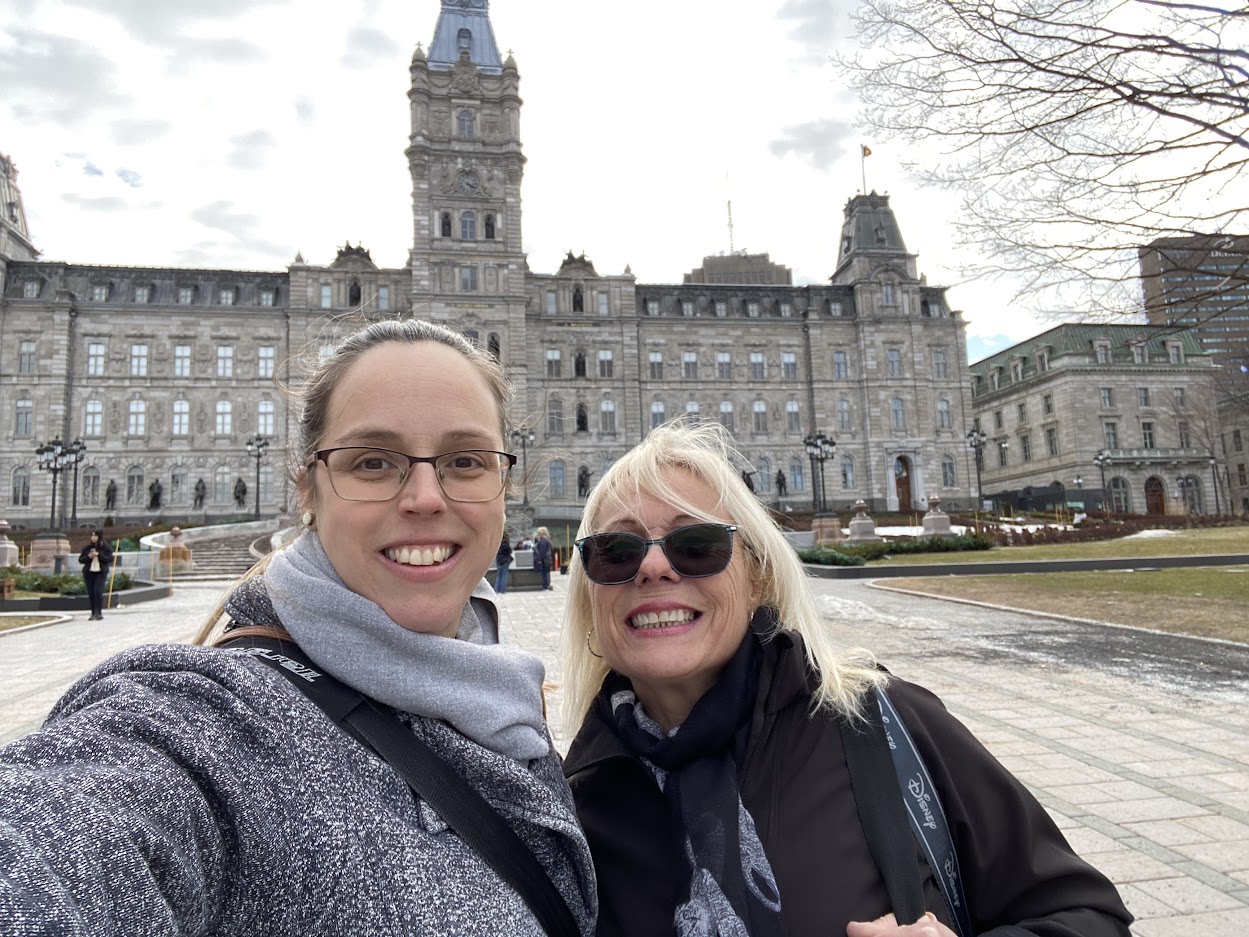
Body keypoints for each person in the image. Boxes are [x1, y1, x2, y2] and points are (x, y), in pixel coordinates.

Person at [0, 320, 596, 936]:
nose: (425, 497)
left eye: (466, 460)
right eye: (373, 461)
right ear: (307, 488)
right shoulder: (204, 722)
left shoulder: (502, 691)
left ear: (504, 481)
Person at [558, 422, 1131, 937]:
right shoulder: (568, 804)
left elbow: (1087, 916)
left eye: (697, 545)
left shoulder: (882, 726)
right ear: (590, 590)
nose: (654, 567)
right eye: (616, 552)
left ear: (758, 577)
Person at [77, 529, 113, 621]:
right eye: (92, 536)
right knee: (91, 592)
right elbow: (81, 559)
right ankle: (93, 612)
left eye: (95, 536)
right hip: (89, 572)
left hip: (100, 572)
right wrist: (89, 557)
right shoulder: (87, 547)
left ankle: (99, 612)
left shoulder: (105, 547)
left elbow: (109, 558)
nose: (93, 538)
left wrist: (99, 555)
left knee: (98, 591)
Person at [533, 526, 555, 591]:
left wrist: (539, 559)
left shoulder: (543, 541)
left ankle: (545, 587)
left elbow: (542, 551)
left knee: (544, 573)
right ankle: (546, 586)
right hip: (547, 559)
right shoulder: (547, 540)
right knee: (545, 573)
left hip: (544, 560)